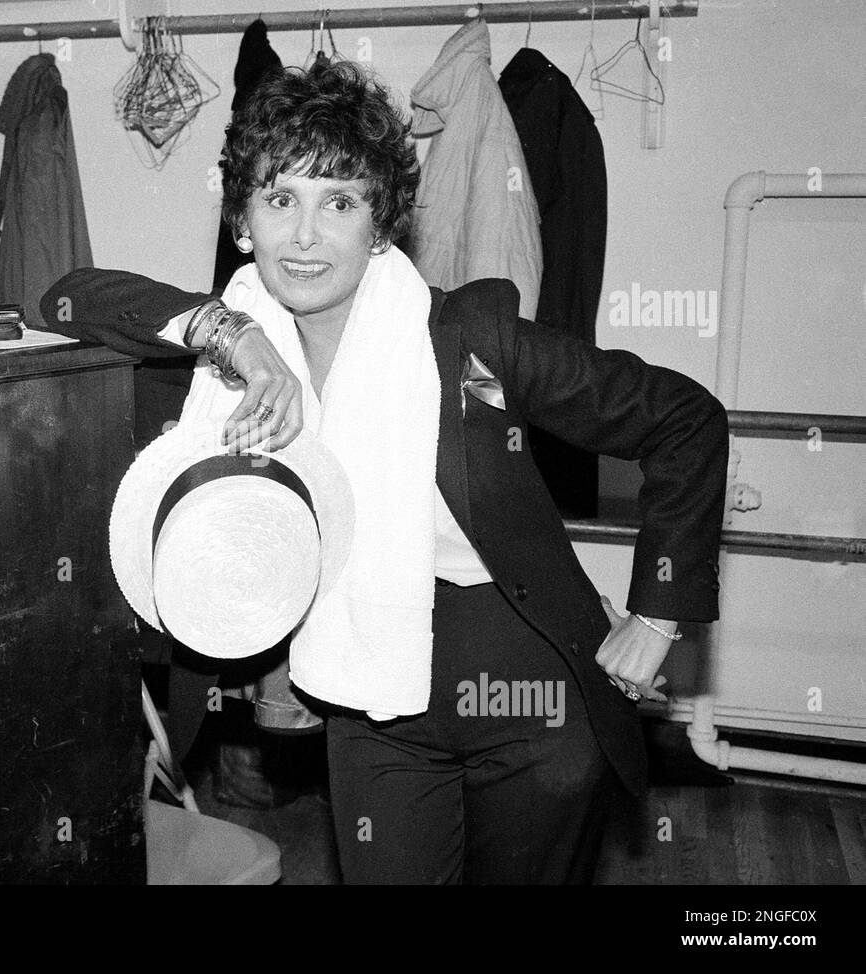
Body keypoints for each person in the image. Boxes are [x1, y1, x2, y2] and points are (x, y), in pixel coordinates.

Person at [41, 60, 728, 884]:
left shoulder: (470, 342)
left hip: (527, 691)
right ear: (241, 220)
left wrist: (658, 617)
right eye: (279, 197)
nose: (304, 236)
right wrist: (235, 338)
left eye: (340, 201)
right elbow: (64, 300)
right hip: (368, 685)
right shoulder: (223, 361)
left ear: (381, 224)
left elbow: (686, 419)